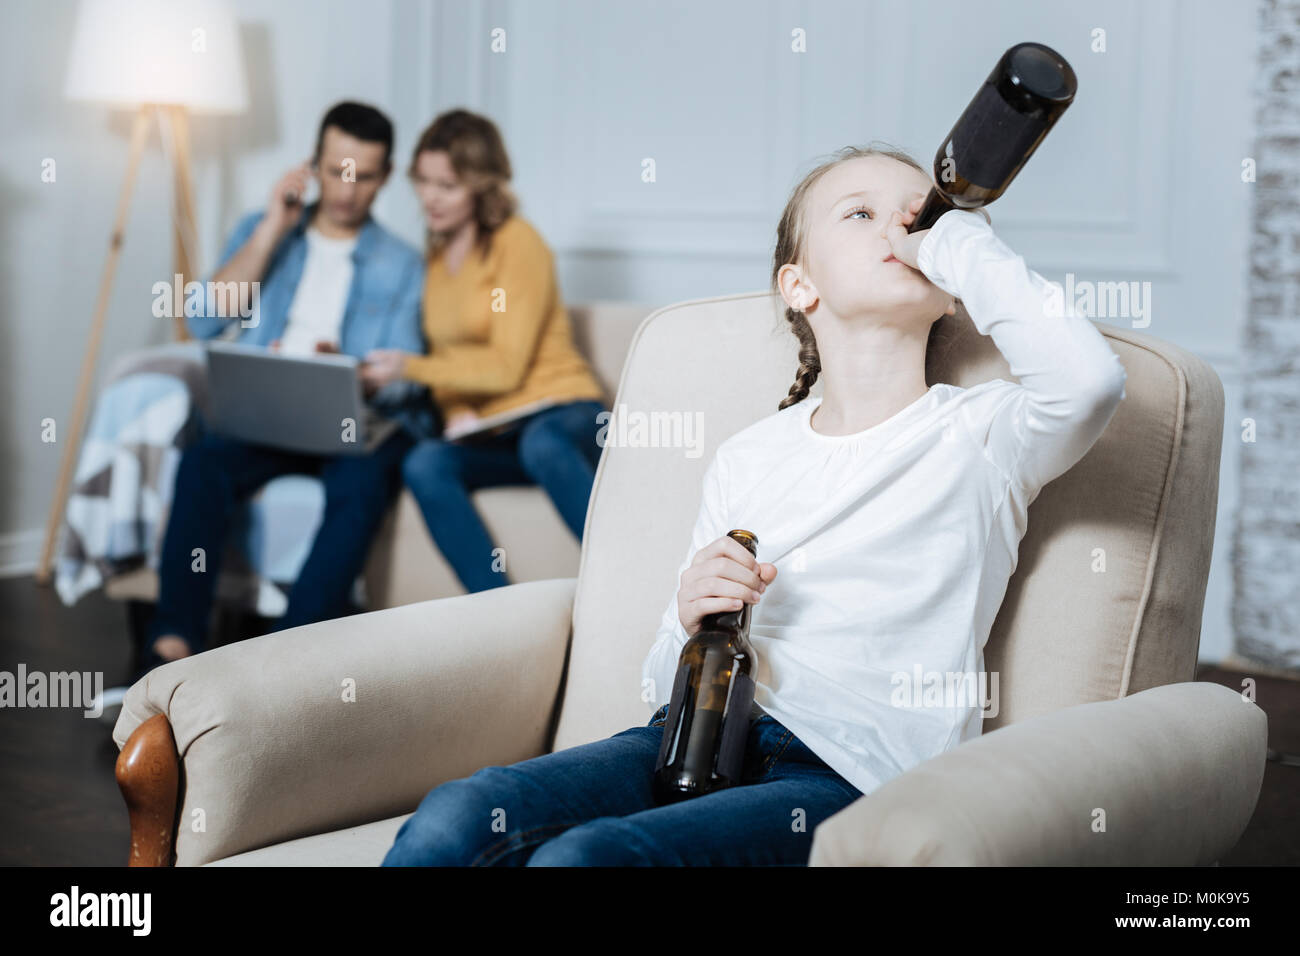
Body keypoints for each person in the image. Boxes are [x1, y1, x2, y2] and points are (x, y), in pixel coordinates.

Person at [380, 145, 1128, 866]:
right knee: (457, 814)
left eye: (915, 215)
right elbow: (662, 673)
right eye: (861, 214)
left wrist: (957, 240)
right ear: (799, 285)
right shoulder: (750, 454)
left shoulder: (981, 434)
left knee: (591, 857)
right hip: (688, 735)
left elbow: (1087, 381)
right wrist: (684, 614)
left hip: (843, 777)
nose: (903, 228)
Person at [137, 101, 432, 680]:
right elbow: (202, 320)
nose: (346, 190)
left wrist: (350, 370)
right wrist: (274, 225)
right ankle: (174, 640)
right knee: (203, 464)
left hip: (351, 418)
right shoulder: (262, 230)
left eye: (364, 175)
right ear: (313, 165)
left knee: (365, 478)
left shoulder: (403, 264)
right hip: (266, 412)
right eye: (335, 170)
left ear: (386, 176)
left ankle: (282, 662)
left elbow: (403, 384)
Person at [360, 109, 607, 593]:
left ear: (480, 185)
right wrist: (456, 409)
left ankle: (624, 583)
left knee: (542, 443)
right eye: (423, 181)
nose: (429, 197)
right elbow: (449, 359)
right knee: (424, 461)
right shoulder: (434, 258)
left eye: (447, 186)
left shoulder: (519, 242)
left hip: (563, 411)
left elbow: (506, 367)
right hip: (499, 431)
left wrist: (409, 368)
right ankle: (495, 608)